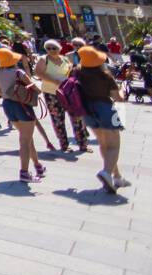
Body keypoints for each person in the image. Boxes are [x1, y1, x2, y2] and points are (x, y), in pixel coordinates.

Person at [76, 46, 129, 193]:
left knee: (104, 145)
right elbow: (118, 98)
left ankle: (116, 176)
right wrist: (122, 91)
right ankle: (106, 172)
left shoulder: (76, 73)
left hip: (87, 110)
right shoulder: (105, 76)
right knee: (114, 146)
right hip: (106, 109)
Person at [0, 47, 45, 183]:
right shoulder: (18, 72)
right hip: (22, 105)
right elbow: (35, 88)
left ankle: (38, 166)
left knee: (26, 138)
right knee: (25, 140)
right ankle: (24, 172)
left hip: (7, 105)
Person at [34, 39, 87, 153]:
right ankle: (64, 145)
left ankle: (82, 144)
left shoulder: (65, 59)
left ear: (59, 49)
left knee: (76, 117)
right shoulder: (44, 59)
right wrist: (55, 81)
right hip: (51, 93)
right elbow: (38, 73)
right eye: (48, 48)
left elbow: (71, 73)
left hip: (68, 93)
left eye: (54, 48)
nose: (51, 50)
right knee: (58, 119)